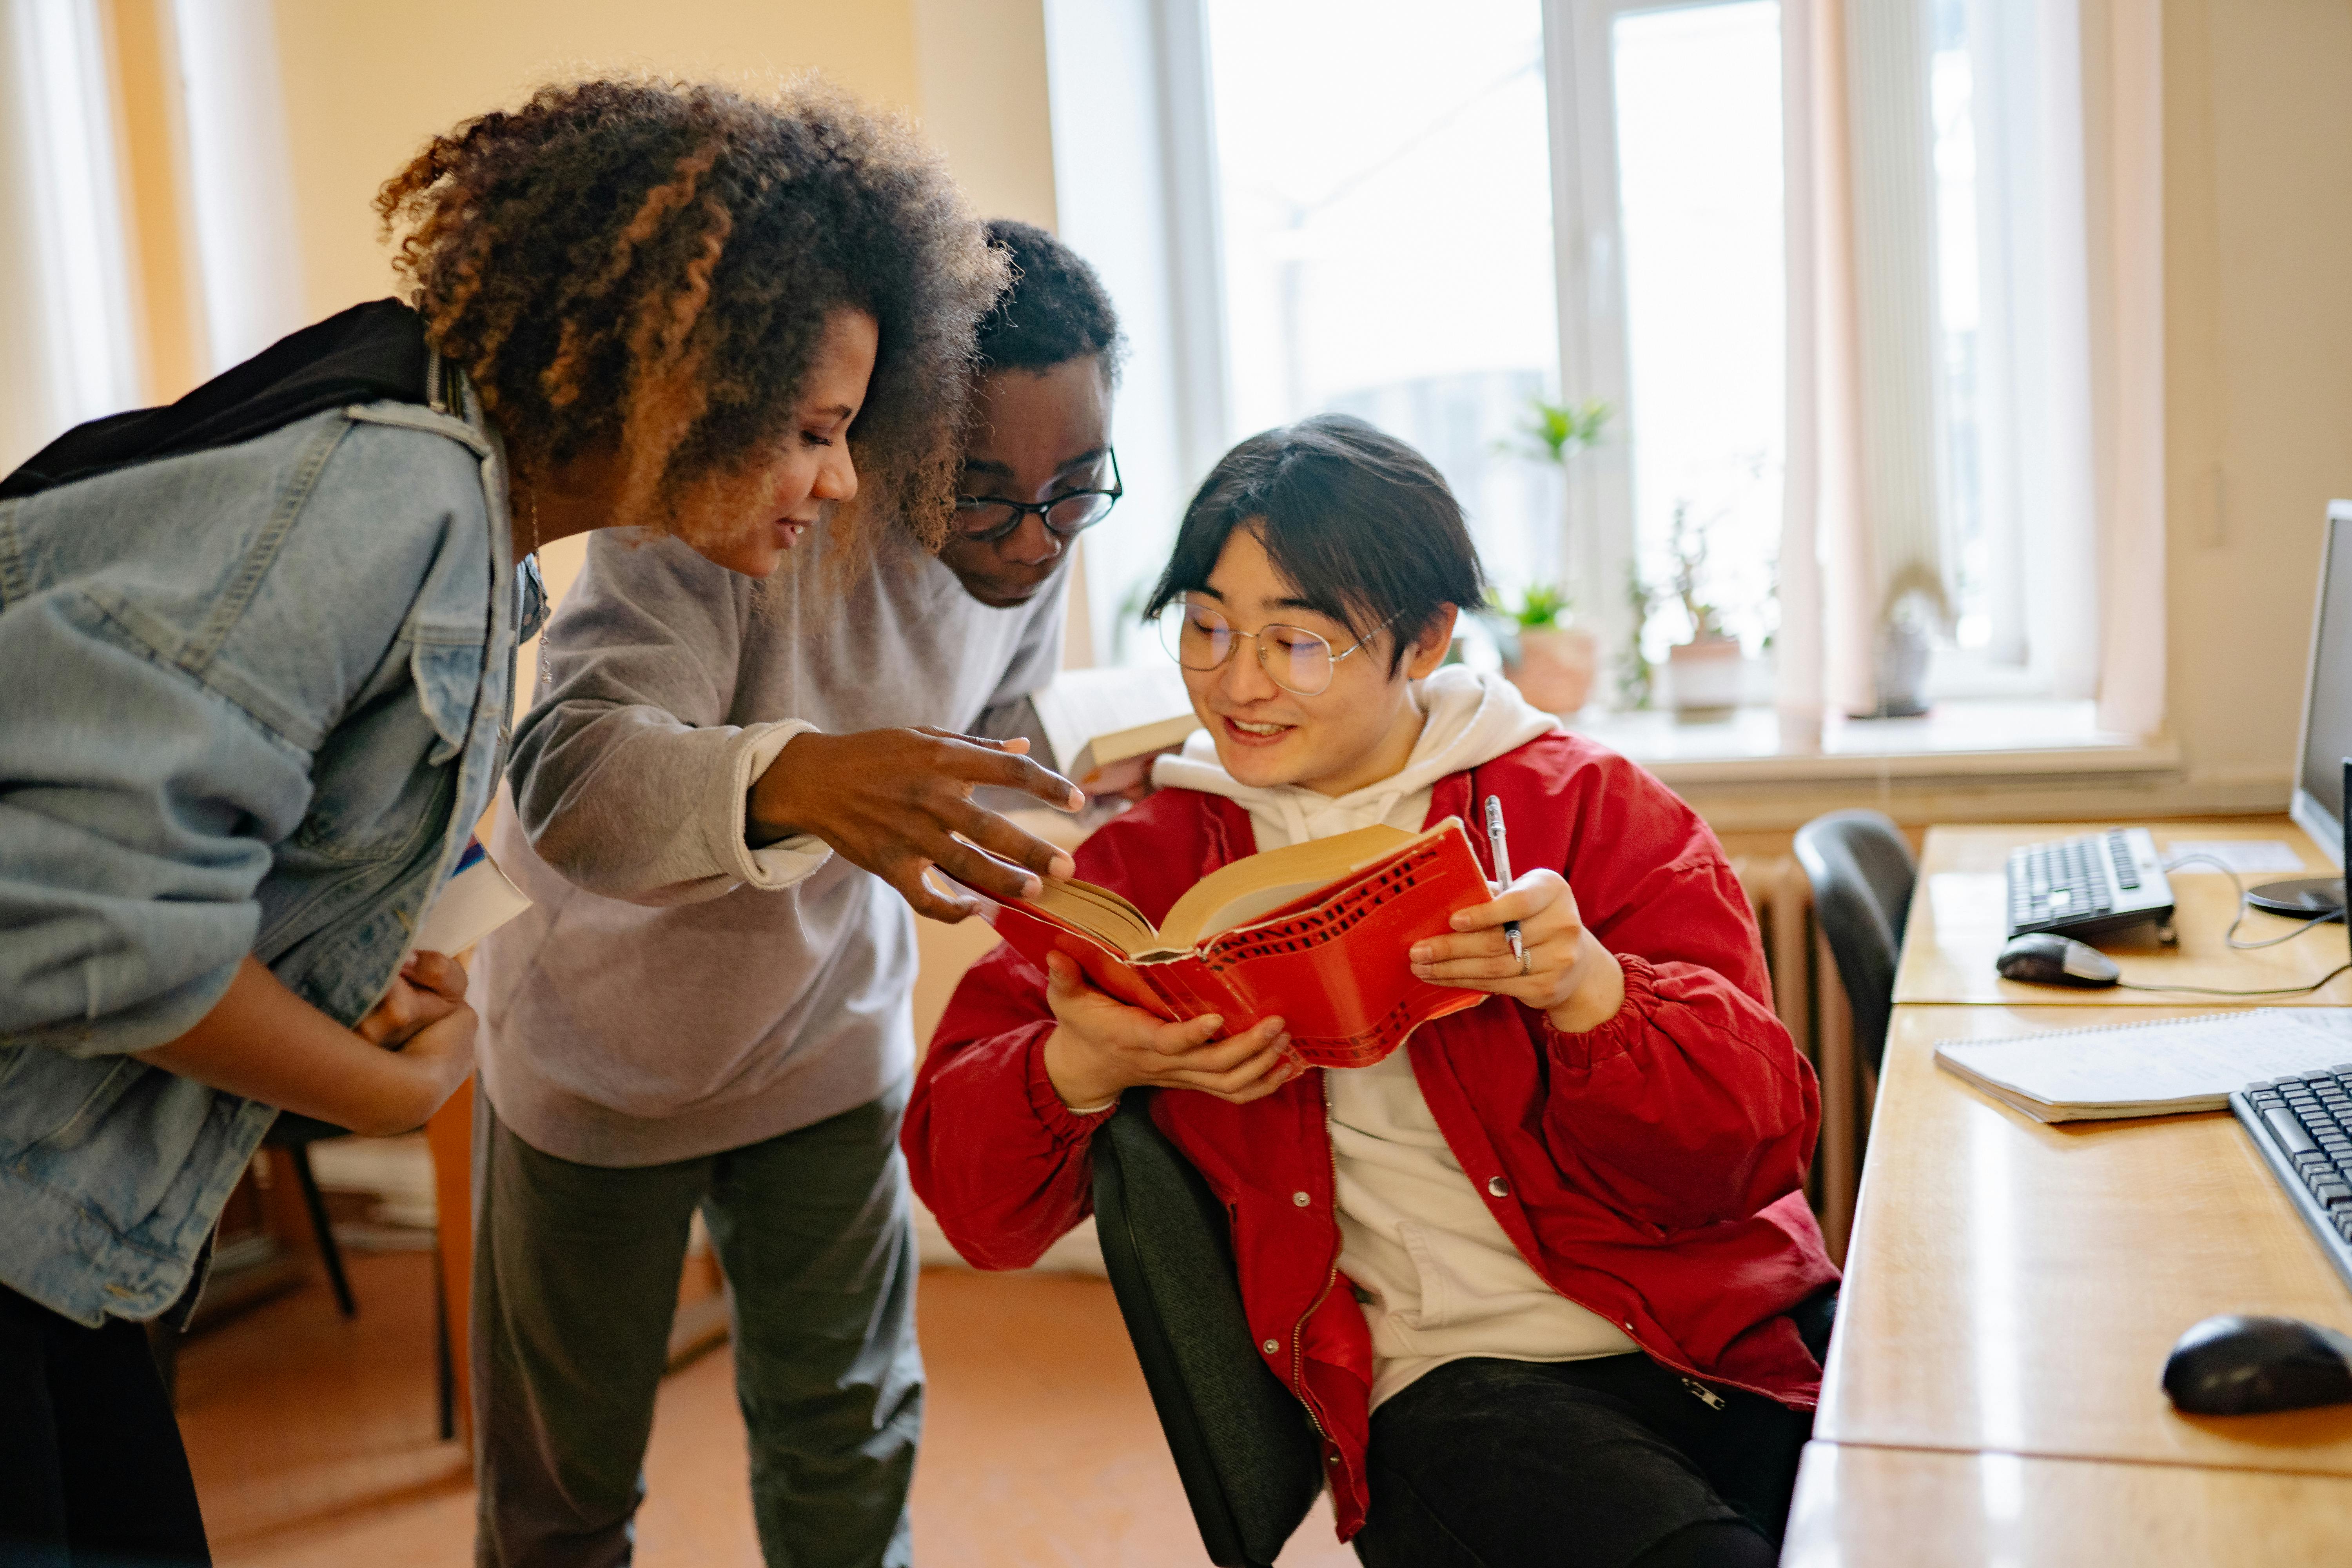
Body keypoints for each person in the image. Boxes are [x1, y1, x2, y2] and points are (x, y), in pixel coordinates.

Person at [0, 77, 1010, 1568]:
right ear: (682, 374)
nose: (841, 480)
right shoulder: (392, 500)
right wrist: (379, 1088)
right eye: (812, 429)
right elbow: (81, 923)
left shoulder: (465, 508)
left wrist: (325, 968)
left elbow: (171, 852)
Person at [906, 415, 1840, 1568]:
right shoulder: (1148, 865)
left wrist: (1598, 993)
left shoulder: (1585, 807)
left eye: (1296, 641)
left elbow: (1758, 1153)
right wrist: (1082, 1065)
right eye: (1204, 628)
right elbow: (972, 1206)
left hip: (1726, 1326)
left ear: (1426, 640)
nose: (1238, 683)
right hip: (1463, 1386)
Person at [468, 220, 1125, 1568]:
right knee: (565, 1498)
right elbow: (573, 780)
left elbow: (986, 748)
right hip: (601, 1061)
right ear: (879, 445)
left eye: (1078, 488)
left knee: (849, 1446)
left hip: (826, 1048)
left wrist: (1097, 769)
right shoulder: (721, 524)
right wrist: (804, 779)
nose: (1034, 542)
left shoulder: (1031, 539)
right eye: (984, 492)